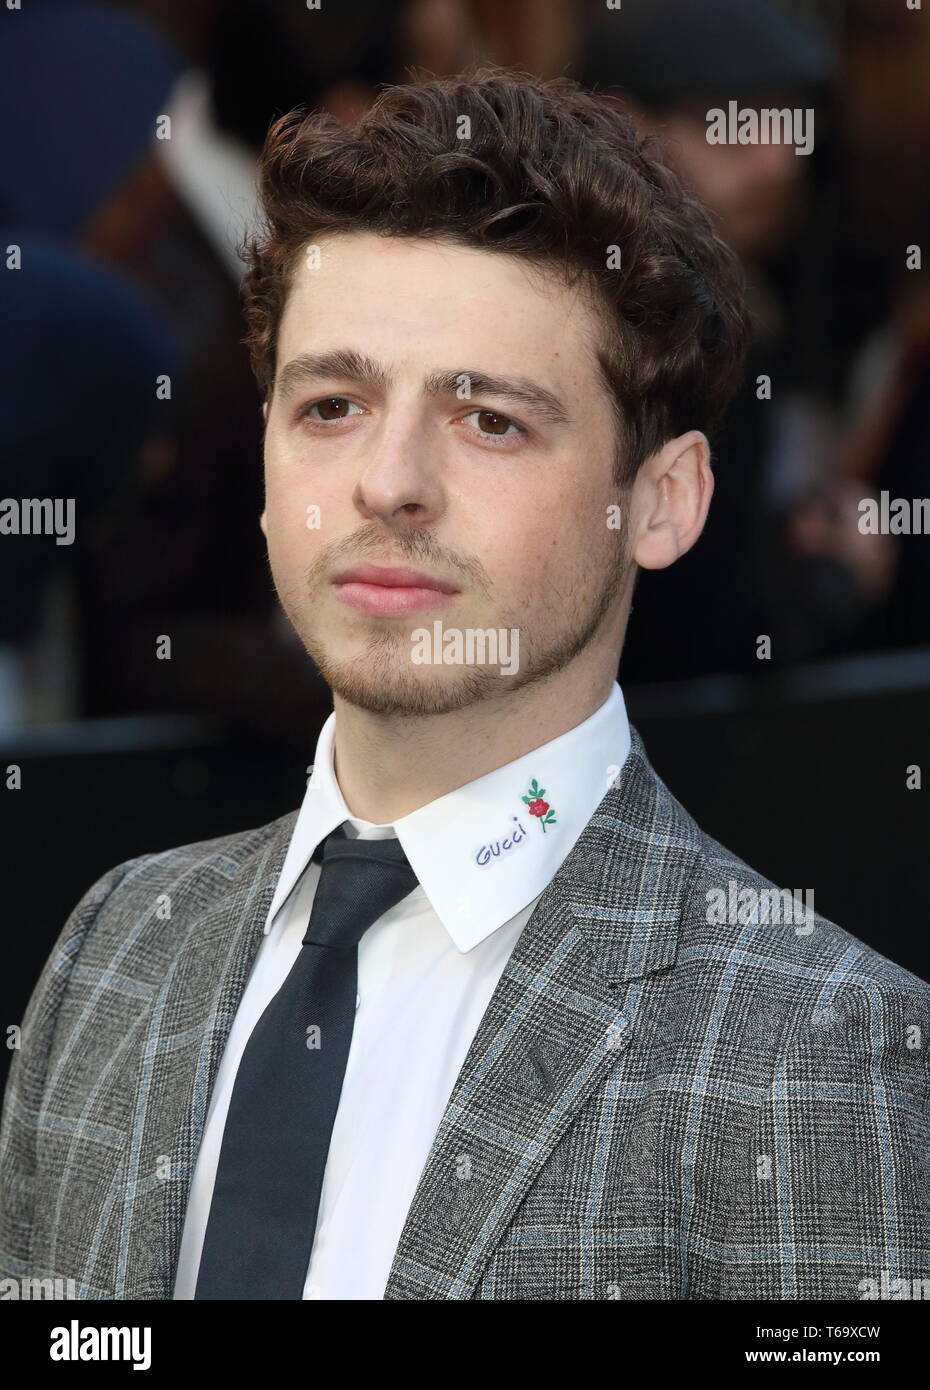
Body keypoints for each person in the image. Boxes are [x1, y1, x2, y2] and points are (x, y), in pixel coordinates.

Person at [1, 65, 928, 1302]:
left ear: (663, 500)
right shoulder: (115, 945)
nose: (390, 481)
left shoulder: (822, 1052)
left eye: (489, 419)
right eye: (331, 403)